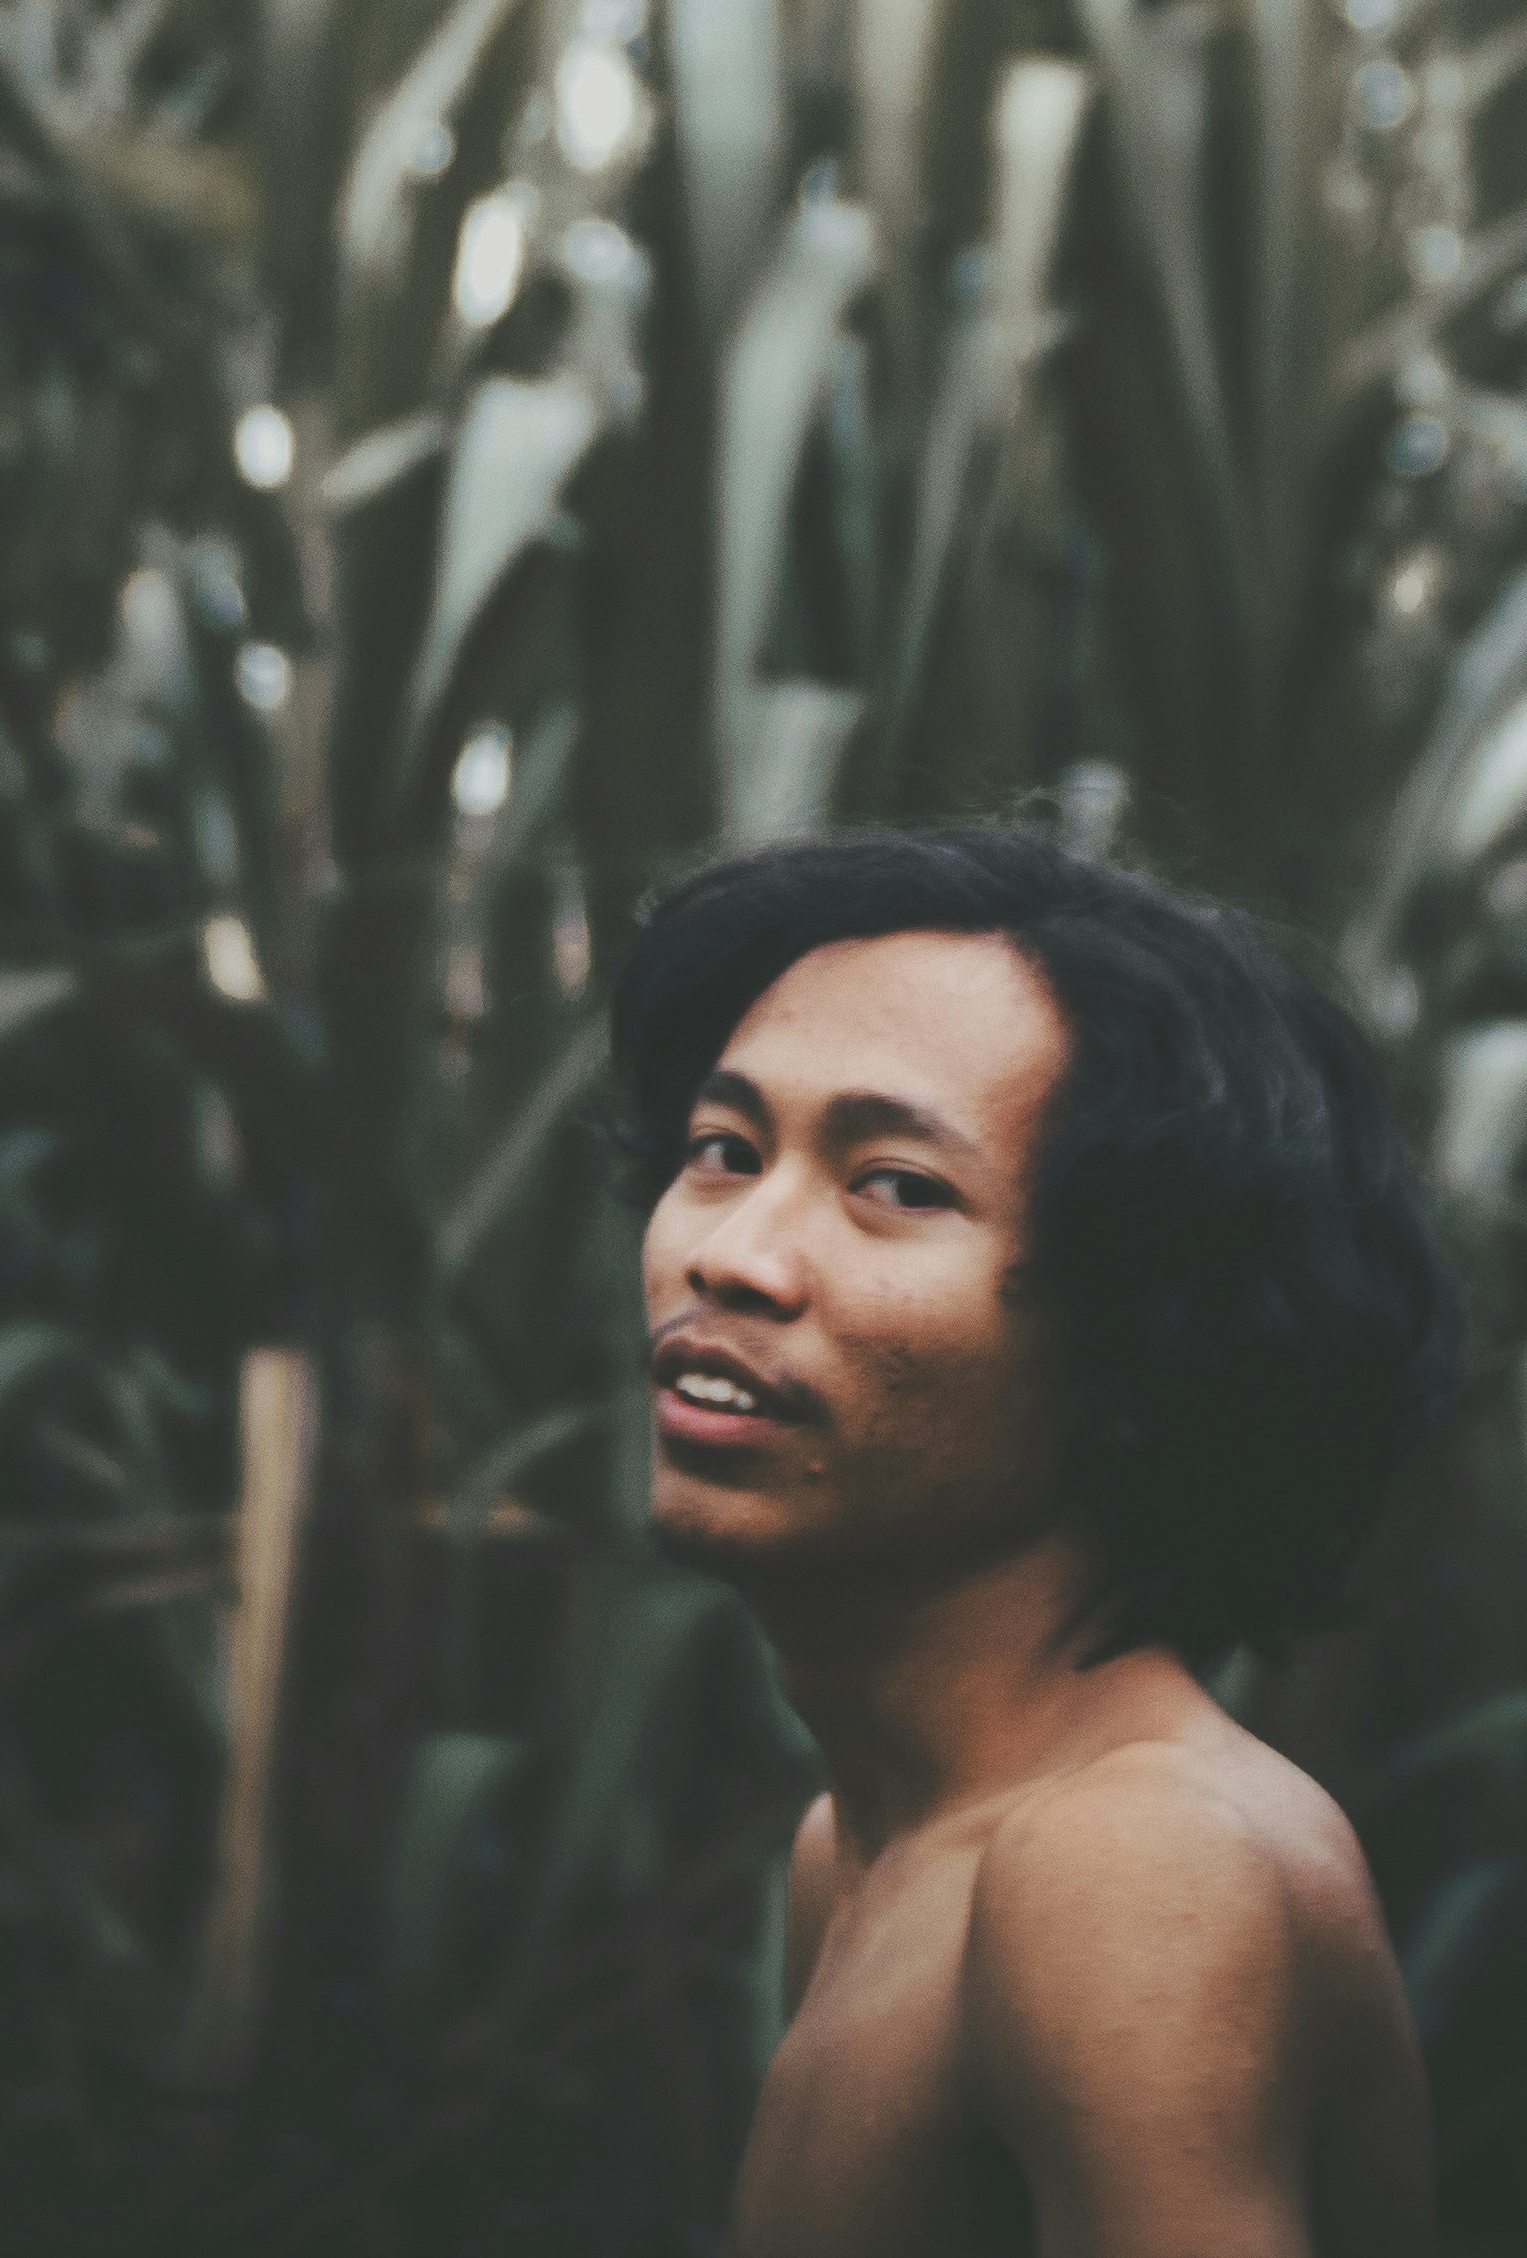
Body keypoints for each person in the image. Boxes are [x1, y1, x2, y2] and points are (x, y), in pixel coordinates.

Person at [610, 822, 1461, 2258]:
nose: (732, 1253)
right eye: (723, 1151)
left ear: (1142, 1351)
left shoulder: (1127, 1866)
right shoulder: (869, 1850)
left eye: (896, 1185)